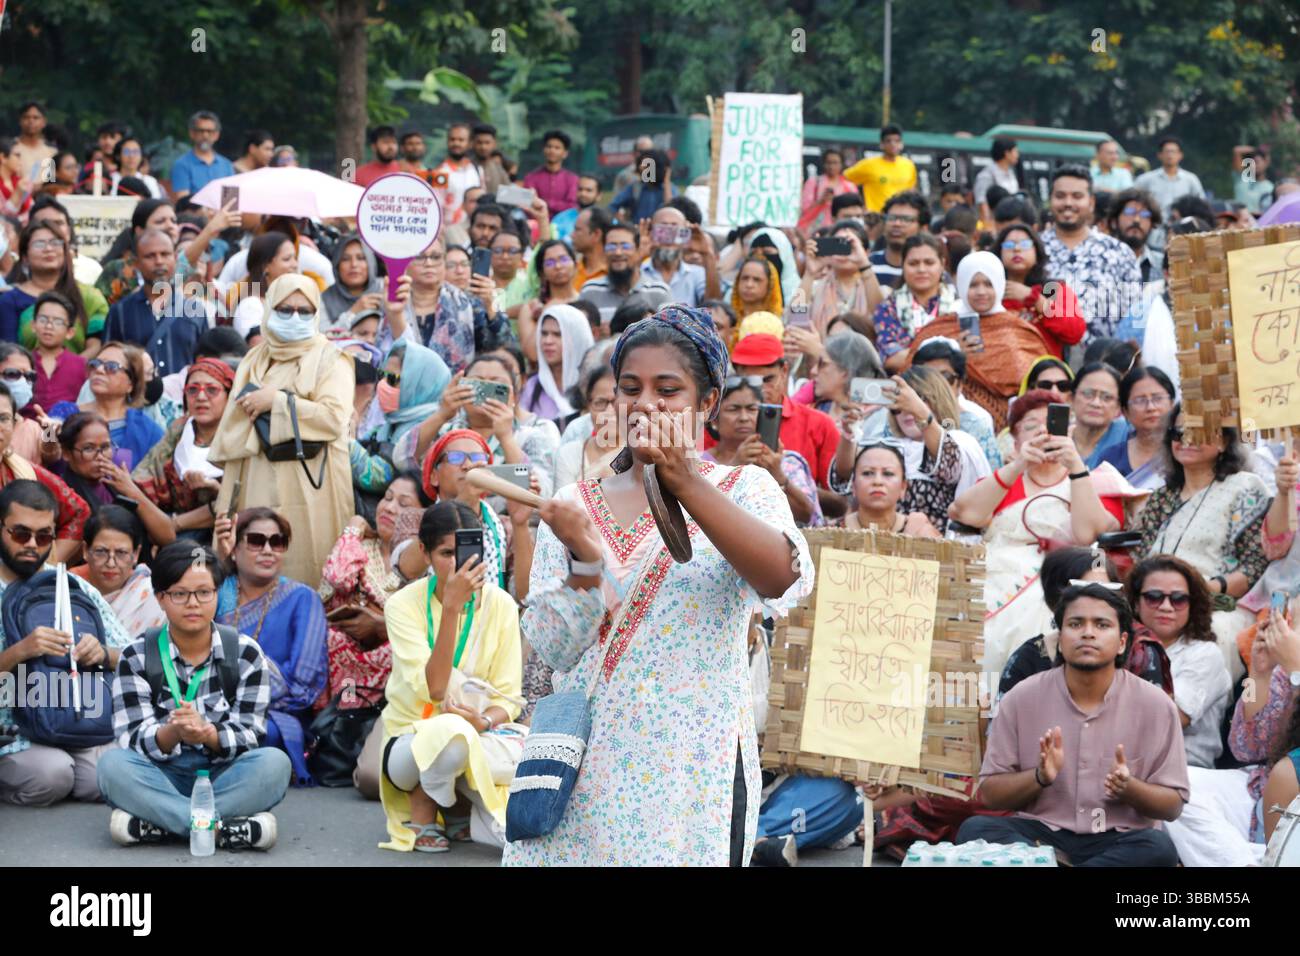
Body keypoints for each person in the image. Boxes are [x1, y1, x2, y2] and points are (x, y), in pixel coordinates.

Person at [502, 304, 812, 866]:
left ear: (707, 401)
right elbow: (554, 650)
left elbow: (782, 576)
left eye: (667, 389)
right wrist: (581, 561)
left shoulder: (746, 488)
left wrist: (685, 479)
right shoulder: (575, 504)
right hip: (588, 763)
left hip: (688, 767)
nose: (645, 403)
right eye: (630, 387)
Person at [957, 582, 1187, 866]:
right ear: (1060, 638)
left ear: (1122, 642)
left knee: (1158, 847)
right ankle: (1051, 861)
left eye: (1102, 625)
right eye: (1076, 624)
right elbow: (991, 795)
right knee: (975, 831)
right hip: (1041, 837)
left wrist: (1129, 788)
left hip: (1117, 838)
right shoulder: (1022, 697)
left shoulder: (1156, 705)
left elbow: (1173, 806)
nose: (1088, 632)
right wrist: (1039, 777)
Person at [96, 541, 290, 848]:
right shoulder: (136, 655)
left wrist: (208, 735)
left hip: (221, 774)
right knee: (112, 766)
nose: (193, 603)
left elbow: (251, 733)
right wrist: (173, 732)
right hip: (161, 775)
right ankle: (222, 829)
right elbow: (130, 737)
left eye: (204, 592)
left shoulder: (245, 653)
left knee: (275, 764)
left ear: (217, 594)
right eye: (179, 594)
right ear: (160, 598)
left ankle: (160, 824)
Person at [948, 389, 1131, 676]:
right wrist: (1019, 464)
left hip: (1062, 571)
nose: (1044, 432)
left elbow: (1086, 535)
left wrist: (1075, 467)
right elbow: (965, 513)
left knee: (1041, 607)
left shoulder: (1094, 480)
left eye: (1053, 424)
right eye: (1032, 426)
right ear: (1015, 437)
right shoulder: (1004, 480)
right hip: (995, 569)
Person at [377, 501, 525, 851]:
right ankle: (425, 805)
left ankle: (457, 802)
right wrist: (452, 608)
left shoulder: (501, 604)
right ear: (425, 553)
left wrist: (484, 721)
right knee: (450, 733)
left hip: (480, 732)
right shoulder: (401, 605)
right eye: (446, 553)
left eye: (468, 551)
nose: (459, 564)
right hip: (408, 742)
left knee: (529, 752)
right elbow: (436, 688)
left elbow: (510, 697)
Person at [209, 275, 355, 585]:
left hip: (312, 480)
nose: (295, 318)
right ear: (269, 309)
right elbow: (237, 419)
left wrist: (276, 401)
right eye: (285, 309)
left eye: (305, 311)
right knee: (255, 561)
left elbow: (333, 418)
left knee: (308, 564)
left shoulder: (332, 359)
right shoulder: (255, 358)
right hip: (256, 475)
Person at [0, 480, 131, 806]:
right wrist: (20, 651)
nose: (32, 544)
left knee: (106, 779)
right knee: (54, 775)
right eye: (20, 534)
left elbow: (131, 655)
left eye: (44, 536)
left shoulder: (71, 585)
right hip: (11, 735)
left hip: (74, 721)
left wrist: (101, 653)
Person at [1134, 405, 1270, 675]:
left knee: (1212, 634)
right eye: (1179, 431)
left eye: (1199, 431)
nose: (1186, 439)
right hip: (1154, 599)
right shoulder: (1162, 497)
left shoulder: (1245, 488)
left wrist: (1197, 591)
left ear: (1224, 441)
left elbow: (1253, 570)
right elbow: (1141, 560)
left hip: (1216, 603)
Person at [211, 508, 328, 784]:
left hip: (275, 715)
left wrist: (246, 696)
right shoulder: (216, 595)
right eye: (255, 540)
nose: (268, 550)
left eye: (277, 542)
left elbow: (303, 686)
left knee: (259, 735)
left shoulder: (303, 598)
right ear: (235, 548)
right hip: (212, 705)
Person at [319, 472, 431, 727]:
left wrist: (380, 624)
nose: (390, 508)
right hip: (348, 656)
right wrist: (353, 529)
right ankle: (343, 724)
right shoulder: (363, 545)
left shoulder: (425, 561)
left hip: (394, 660)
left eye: (403, 504)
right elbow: (338, 577)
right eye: (387, 498)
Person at [831, 367, 991, 534]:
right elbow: (845, 474)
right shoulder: (887, 445)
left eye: (920, 399)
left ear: (938, 400)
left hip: (939, 551)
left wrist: (920, 412)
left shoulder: (960, 440)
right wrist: (849, 432)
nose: (907, 410)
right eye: (898, 404)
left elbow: (949, 463)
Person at [907, 251, 1053, 430]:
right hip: (945, 422)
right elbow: (912, 376)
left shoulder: (1019, 330)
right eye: (973, 285)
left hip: (1012, 426)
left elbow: (1039, 380)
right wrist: (952, 354)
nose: (981, 292)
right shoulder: (940, 328)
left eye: (988, 284)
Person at [1126, 556, 1231, 768]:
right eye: (1154, 597)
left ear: (1193, 605)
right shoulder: (1118, 645)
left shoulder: (1206, 654)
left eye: (1179, 599)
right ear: (1136, 603)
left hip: (1187, 773)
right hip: (1117, 765)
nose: (1166, 606)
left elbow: (1168, 719)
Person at [131, 357, 234, 536]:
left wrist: (216, 492)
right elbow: (145, 475)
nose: (201, 397)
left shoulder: (240, 436)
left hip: (227, 533)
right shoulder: (179, 430)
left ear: (229, 395)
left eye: (212, 390)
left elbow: (244, 502)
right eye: (192, 390)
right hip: (173, 529)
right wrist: (127, 487)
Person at [726, 332, 840, 490]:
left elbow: (838, 499)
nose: (761, 389)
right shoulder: (718, 425)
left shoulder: (819, 424)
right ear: (736, 376)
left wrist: (782, 479)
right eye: (751, 381)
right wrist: (734, 466)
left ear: (784, 371)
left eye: (768, 380)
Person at [1041, 165, 1141, 342]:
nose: (1068, 203)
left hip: (1104, 363)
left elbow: (1133, 317)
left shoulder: (1118, 253)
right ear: (1051, 200)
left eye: (1077, 196)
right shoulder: (1034, 250)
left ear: (1091, 202)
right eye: (1060, 196)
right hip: (1043, 361)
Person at [702, 375, 819, 526]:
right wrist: (733, 469)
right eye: (733, 409)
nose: (744, 417)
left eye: (752, 409)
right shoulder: (699, 463)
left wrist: (779, 476)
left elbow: (806, 517)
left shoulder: (787, 462)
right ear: (714, 420)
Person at [382, 237, 509, 373]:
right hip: (400, 390)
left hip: (458, 390)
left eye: (436, 257)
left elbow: (503, 345)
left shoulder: (469, 303)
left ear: (443, 262)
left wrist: (490, 305)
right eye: (420, 257)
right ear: (406, 261)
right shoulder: (390, 302)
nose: (429, 263)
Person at [0, 380, 87, 563]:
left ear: (14, 422)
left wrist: (46, 566)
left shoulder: (21, 468)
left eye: (3, 418)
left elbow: (51, 454)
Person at [103, 230, 207, 382]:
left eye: (165, 254)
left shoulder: (195, 310)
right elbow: (108, 362)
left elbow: (205, 364)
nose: (159, 261)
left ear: (175, 259)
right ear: (136, 263)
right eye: (150, 256)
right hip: (136, 402)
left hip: (182, 402)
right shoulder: (120, 312)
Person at [50, 341, 164, 470]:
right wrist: (49, 434)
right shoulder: (63, 412)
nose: (99, 370)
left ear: (131, 384)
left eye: (111, 367)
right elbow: (46, 456)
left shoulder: (147, 430)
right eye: (95, 364)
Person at [0, 220, 106, 351]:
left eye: (55, 243)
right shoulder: (10, 300)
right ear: (25, 257)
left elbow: (98, 345)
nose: (48, 249)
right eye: (39, 244)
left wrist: (72, 367)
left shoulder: (89, 297)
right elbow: (9, 352)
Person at [73, 505, 165, 639]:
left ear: (136, 554)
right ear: (86, 551)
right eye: (101, 552)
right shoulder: (69, 590)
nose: (111, 563)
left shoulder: (153, 598)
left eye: (121, 553)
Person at [996, 223, 1086, 360]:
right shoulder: (990, 292)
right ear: (998, 253)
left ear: (1037, 251)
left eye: (1025, 244)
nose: (1017, 249)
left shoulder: (1054, 289)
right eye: (1009, 245)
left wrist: (1035, 299)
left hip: (1046, 377)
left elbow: (1074, 333)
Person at [872, 234, 958, 372]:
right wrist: (945, 358)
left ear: (942, 264)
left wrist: (911, 355)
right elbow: (891, 359)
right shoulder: (888, 308)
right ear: (902, 265)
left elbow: (969, 355)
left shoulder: (958, 306)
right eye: (913, 263)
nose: (921, 270)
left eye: (929, 263)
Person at [912, 337, 1001, 469]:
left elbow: (993, 480)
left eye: (945, 377)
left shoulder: (975, 426)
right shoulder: (905, 420)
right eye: (928, 377)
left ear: (959, 384)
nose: (937, 386)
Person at [794, 219, 884, 338]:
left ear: (865, 252)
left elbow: (883, 318)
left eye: (850, 245)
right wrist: (809, 274)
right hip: (820, 355)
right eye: (837, 244)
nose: (843, 252)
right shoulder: (814, 288)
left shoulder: (877, 290)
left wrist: (864, 264)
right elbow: (796, 319)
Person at [827, 439, 935, 536]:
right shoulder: (829, 533)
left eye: (888, 473)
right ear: (854, 486)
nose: (877, 481)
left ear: (903, 487)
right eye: (868, 473)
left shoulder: (920, 533)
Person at [1097, 366, 1175, 490]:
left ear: (1172, 404)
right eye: (1140, 400)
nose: (1151, 407)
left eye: (1157, 398)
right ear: (1125, 411)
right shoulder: (1111, 459)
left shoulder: (1184, 452)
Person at [578, 221, 670, 325]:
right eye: (611, 247)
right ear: (603, 251)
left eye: (625, 246)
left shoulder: (659, 291)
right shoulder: (590, 290)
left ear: (638, 250)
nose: (618, 252)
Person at [520, 304, 595, 424]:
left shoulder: (593, 386)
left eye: (557, 334)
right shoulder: (532, 387)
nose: (547, 341)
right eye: (544, 334)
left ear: (576, 339)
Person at [552, 362, 621, 490]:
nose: (609, 411)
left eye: (616, 402)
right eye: (600, 403)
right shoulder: (569, 454)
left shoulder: (640, 453)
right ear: (588, 407)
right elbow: (561, 504)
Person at [638, 204, 720, 309]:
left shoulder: (697, 274)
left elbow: (714, 308)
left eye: (675, 230)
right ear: (650, 233)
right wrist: (638, 255)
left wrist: (708, 254)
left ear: (685, 234)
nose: (669, 238)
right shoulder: (639, 270)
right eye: (662, 231)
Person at [516, 239, 581, 365]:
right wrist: (547, 311)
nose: (558, 266)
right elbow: (532, 354)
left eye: (563, 260)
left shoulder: (585, 301)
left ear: (576, 265)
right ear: (542, 273)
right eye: (550, 263)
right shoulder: (530, 309)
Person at [807, 330, 884, 428]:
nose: (813, 371)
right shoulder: (815, 411)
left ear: (846, 371)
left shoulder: (877, 420)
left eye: (822, 364)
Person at [31, 290, 87, 409]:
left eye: (58, 322)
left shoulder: (82, 366)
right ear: (33, 325)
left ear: (70, 332)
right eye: (43, 319)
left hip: (67, 426)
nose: (49, 326)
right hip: (27, 426)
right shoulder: (22, 363)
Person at [320, 233, 384, 337]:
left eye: (361, 258)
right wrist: (353, 313)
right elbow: (322, 338)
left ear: (371, 263)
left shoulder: (385, 289)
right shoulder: (325, 299)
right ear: (337, 265)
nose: (354, 264)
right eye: (345, 259)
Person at [842, 127, 917, 214]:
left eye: (897, 141)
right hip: (876, 217)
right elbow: (843, 178)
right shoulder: (868, 165)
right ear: (881, 144)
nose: (893, 144)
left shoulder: (908, 165)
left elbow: (911, 191)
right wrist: (857, 205)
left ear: (902, 144)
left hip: (901, 216)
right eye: (888, 141)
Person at [867, 191, 928, 291]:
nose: (897, 224)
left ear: (923, 228)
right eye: (891, 218)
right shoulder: (868, 266)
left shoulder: (929, 271)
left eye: (905, 219)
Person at [1135, 136, 1206, 220]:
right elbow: (1132, 200)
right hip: (1155, 227)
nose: (1170, 155)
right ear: (1159, 155)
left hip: (1184, 229)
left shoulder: (1191, 179)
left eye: (1173, 152)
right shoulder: (1145, 180)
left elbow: (1202, 206)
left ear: (1180, 155)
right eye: (1167, 151)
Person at [169, 111, 235, 200]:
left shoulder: (227, 165)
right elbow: (183, 202)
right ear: (192, 133)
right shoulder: (181, 165)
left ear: (217, 135)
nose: (205, 135)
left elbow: (231, 199)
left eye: (210, 131)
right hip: (195, 213)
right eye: (201, 131)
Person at [522, 130, 579, 218]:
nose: (552, 150)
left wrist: (546, 203)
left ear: (565, 154)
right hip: (536, 224)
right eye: (549, 146)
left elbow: (571, 206)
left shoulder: (572, 179)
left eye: (557, 148)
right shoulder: (531, 177)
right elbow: (528, 204)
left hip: (564, 226)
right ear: (543, 150)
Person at [799, 148, 859, 231]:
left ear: (841, 164)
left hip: (842, 229)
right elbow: (804, 209)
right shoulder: (813, 183)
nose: (831, 166)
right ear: (823, 164)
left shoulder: (850, 186)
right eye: (828, 163)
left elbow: (855, 210)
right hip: (815, 229)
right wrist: (821, 201)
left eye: (835, 163)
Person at [974, 138, 1020, 225]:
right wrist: (988, 226)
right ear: (1007, 153)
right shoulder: (987, 175)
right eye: (1015, 152)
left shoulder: (1011, 173)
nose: (1017, 155)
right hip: (996, 223)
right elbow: (982, 203)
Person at [730, 255, 783, 322]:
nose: (749, 285)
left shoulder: (779, 323)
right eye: (745, 278)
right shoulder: (726, 319)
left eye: (757, 280)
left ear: (770, 285)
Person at [570, 205, 611, 290]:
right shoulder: (571, 270)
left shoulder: (614, 273)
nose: (571, 235)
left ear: (596, 234)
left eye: (577, 230)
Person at [10, 103, 56, 176]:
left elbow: (51, 179)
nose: (31, 121)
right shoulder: (10, 148)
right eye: (26, 117)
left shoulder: (52, 151)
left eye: (36, 118)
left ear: (44, 122)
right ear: (20, 121)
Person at [470, 124, 511, 195]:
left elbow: (508, 194)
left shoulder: (499, 169)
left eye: (487, 143)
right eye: (479, 143)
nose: (483, 147)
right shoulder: (466, 167)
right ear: (472, 143)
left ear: (494, 144)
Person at [0, 138, 35, 218]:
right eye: (17, 155)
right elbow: (3, 217)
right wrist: (17, 193)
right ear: (3, 158)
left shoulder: (17, 181)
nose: (21, 160)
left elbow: (31, 208)